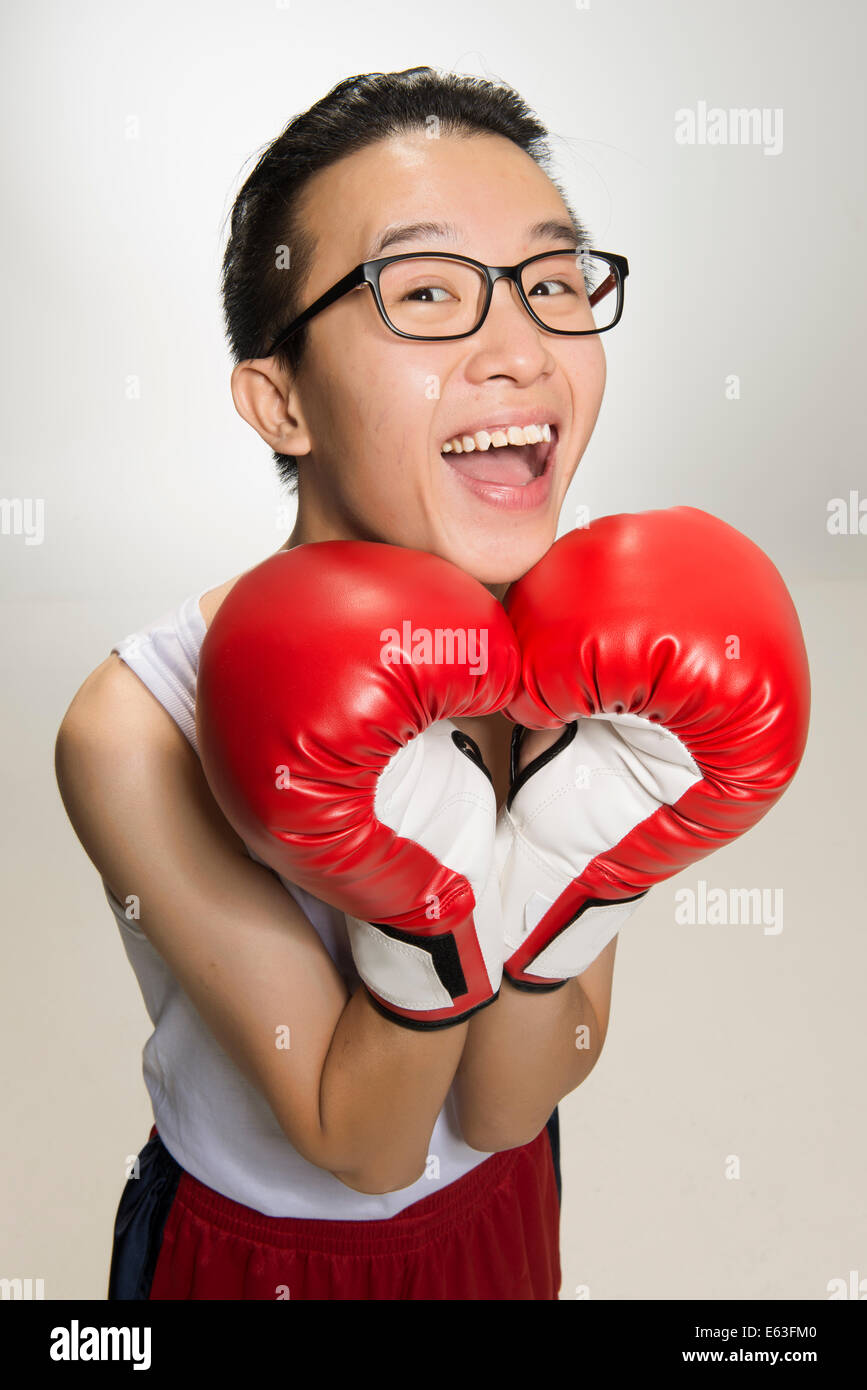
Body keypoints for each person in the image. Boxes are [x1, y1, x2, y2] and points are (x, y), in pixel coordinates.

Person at [53, 66, 809, 1301]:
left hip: (502, 1213)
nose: (519, 349)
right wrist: (423, 894)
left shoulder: (587, 653)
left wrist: (586, 853)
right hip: (260, 1257)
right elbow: (362, 1142)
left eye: (554, 283)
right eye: (424, 293)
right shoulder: (136, 725)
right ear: (278, 397)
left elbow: (511, 1103)